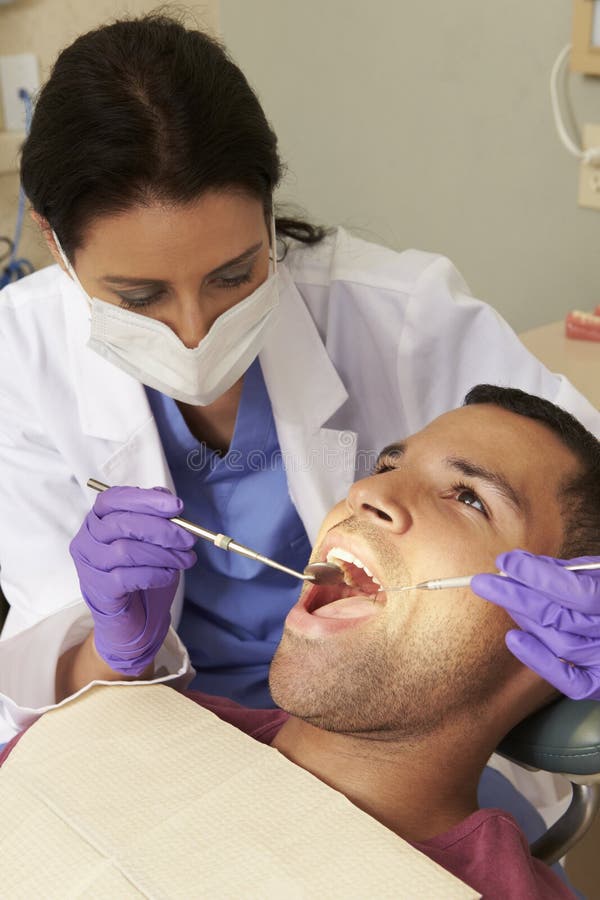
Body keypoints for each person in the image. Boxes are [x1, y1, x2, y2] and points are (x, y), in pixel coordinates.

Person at [0, 13, 599, 741]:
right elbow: (44, 683)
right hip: (155, 737)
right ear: (55, 246)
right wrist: (113, 644)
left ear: (269, 212)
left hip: (389, 740)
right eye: (139, 297)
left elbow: (580, 491)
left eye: (233, 274)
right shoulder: (21, 358)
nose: (195, 331)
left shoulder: (400, 318)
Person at [3, 385, 597, 898]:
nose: (368, 492)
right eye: (389, 465)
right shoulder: (125, 724)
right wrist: (110, 660)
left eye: (469, 497)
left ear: (560, 623)